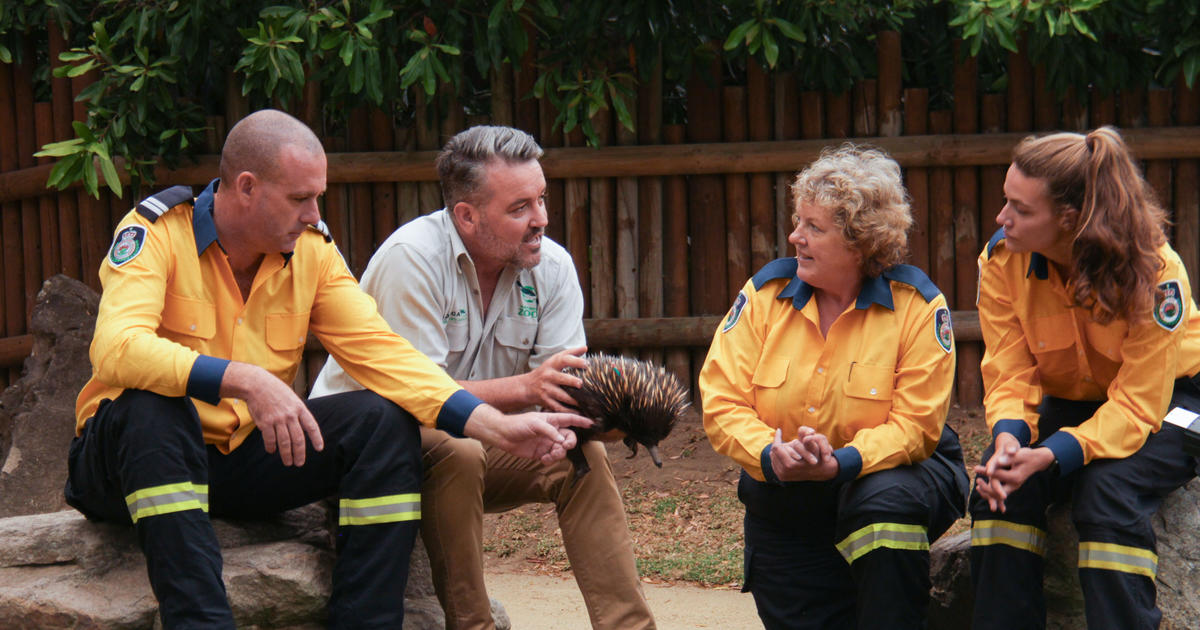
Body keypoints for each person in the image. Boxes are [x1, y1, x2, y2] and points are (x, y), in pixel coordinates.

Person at [65, 110, 592, 629]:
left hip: (237, 461)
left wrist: (493, 425)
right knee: (153, 409)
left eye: (318, 196)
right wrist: (244, 379)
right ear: (246, 187)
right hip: (129, 461)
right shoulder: (155, 232)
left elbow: (385, 356)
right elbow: (117, 349)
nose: (315, 214)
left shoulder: (313, 253)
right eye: (300, 198)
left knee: (381, 420)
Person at [310, 125, 655, 630]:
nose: (540, 220)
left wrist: (611, 417)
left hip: (480, 442)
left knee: (584, 457)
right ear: (466, 216)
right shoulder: (414, 259)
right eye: (520, 208)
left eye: (541, 200)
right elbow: (413, 395)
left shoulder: (552, 267)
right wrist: (525, 389)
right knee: (459, 450)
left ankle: (631, 627)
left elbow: (556, 396)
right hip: (375, 453)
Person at [699, 145, 969, 629]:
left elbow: (916, 427)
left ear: (860, 242)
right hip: (786, 491)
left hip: (891, 479)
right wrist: (770, 454)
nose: (794, 236)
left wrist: (840, 464)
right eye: (798, 221)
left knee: (882, 506)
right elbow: (721, 402)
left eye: (813, 228)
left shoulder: (919, 307)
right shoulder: (763, 297)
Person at [970, 126, 1200, 629]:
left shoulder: (1156, 272)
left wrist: (1053, 454)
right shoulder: (1002, 260)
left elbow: (1141, 403)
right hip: (1079, 401)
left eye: (1021, 209)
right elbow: (1008, 367)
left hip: (1175, 400)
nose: (1001, 218)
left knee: (1108, 491)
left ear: (1070, 220)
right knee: (999, 482)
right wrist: (1011, 439)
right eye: (1006, 200)